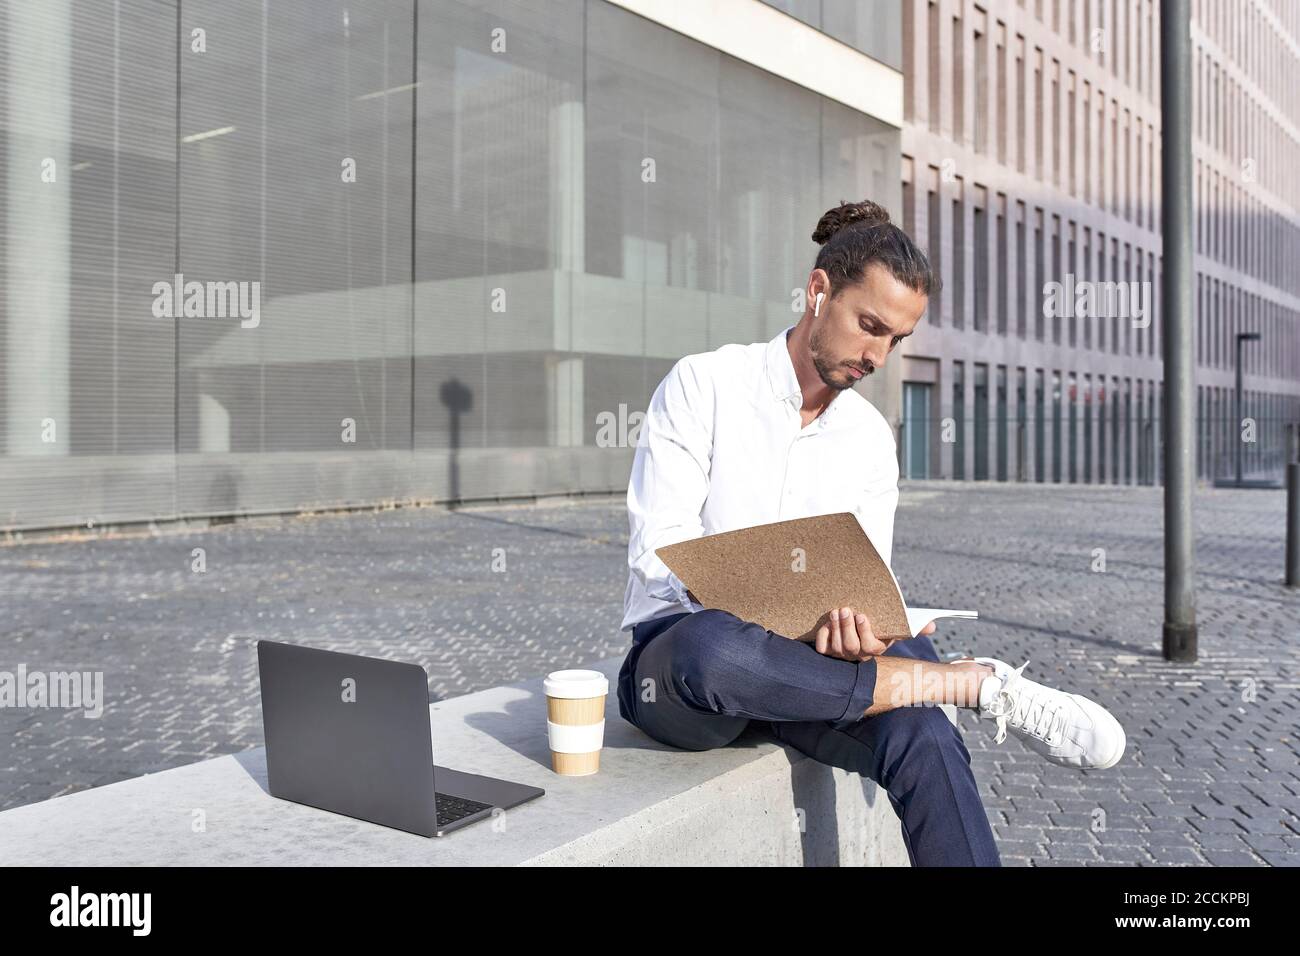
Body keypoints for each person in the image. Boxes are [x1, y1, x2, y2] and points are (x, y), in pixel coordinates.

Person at [616, 199, 1126, 867]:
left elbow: (863, 581)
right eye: (870, 326)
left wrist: (859, 628)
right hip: (685, 673)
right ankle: (967, 684)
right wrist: (763, 603)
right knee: (714, 648)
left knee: (923, 734)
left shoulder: (867, 441)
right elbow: (661, 559)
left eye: (897, 339)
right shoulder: (705, 385)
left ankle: (944, 689)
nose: (879, 355)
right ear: (819, 290)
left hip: (813, 668)